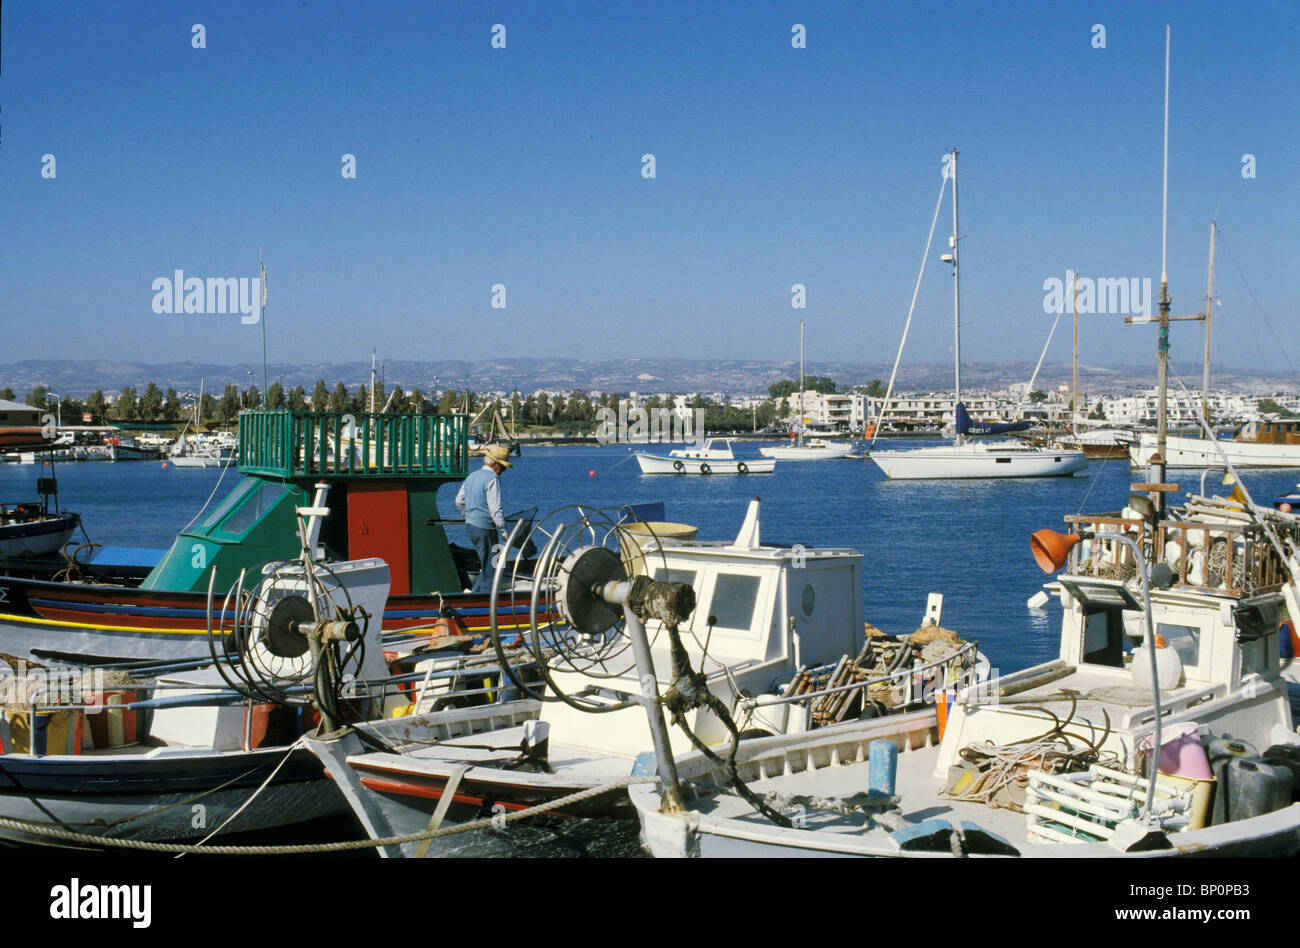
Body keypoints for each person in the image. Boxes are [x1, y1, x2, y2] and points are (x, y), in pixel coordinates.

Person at [455, 444, 513, 593]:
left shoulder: (472, 476)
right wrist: (504, 531)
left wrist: (468, 515)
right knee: (492, 566)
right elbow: (495, 509)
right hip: (486, 529)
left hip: (471, 527)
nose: (504, 470)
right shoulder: (492, 479)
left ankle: (476, 591)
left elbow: (459, 501)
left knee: (486, 561)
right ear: (494, 464)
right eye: (503, 466)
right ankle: (483, 599)